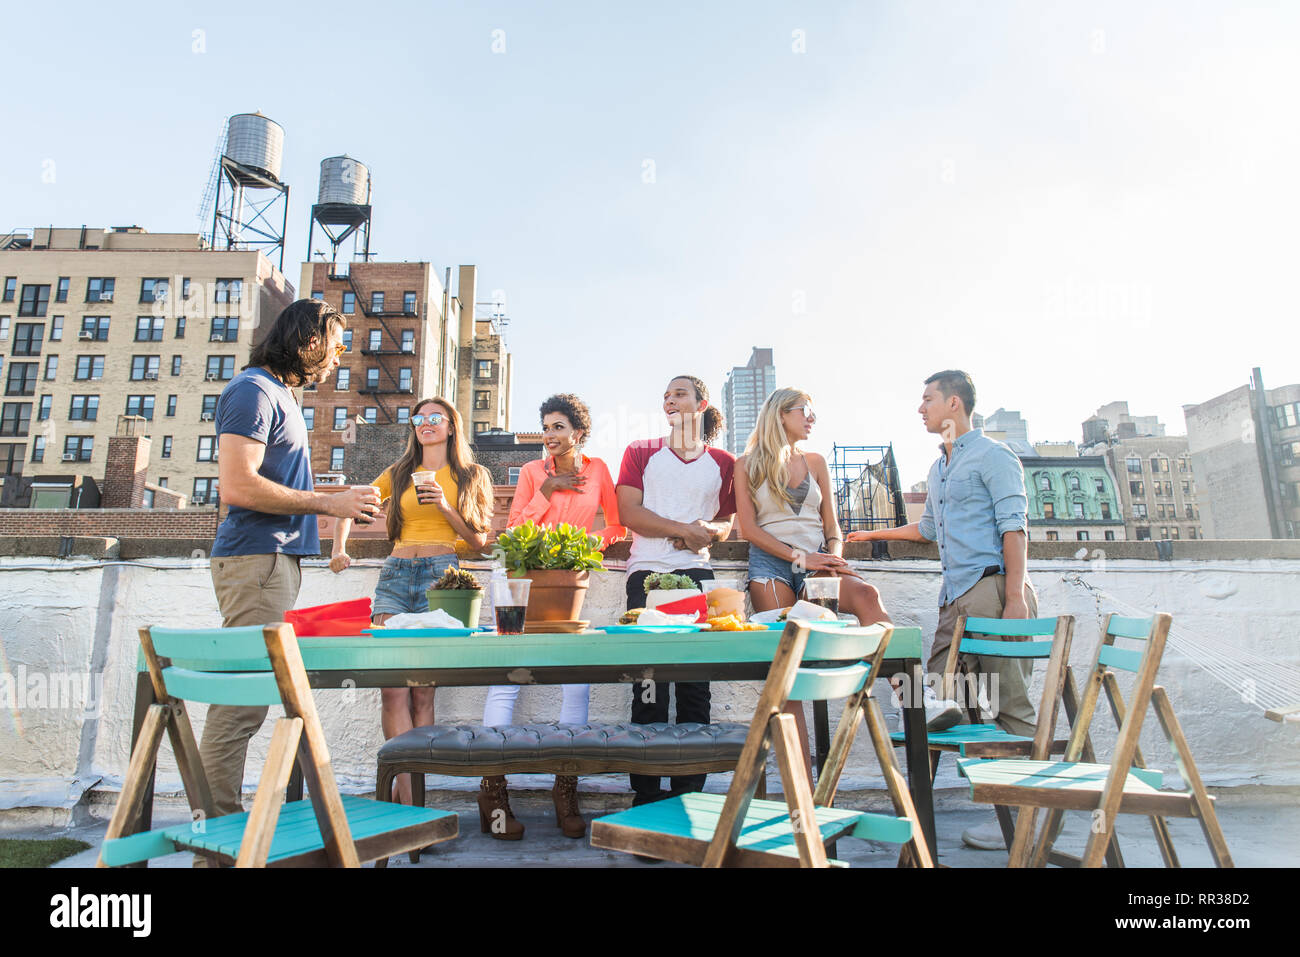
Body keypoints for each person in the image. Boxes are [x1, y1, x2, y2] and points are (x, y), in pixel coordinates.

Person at [205, 299, 381, 831]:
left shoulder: (276, 395)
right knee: (241, 704)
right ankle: (219, 833)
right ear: (309, 342)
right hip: (257, 561)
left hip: (271, 561)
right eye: (336, 346)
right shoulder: (253, 392)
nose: (337, 359)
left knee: (253, 699)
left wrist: (339, 503)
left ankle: (226, 829)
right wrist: (329, 503)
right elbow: (237, 486)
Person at [847, 369, 1036, 850]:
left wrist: (1014, 599)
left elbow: (1015, 529)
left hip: (993, 591)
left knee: (1008, 707)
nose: (921, 407)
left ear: (955, 403)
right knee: (925, 700)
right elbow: (928, 530)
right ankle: (917, 820)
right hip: (954, 601)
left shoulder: (995, 456)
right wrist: (870, 536)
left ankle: (1021, 823)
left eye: (927, 399)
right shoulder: (939, 467)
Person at [330, 397, 494, 810]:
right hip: (396, 574)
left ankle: (411, 802)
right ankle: (410, 803)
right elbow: (352, 502)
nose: (425, 423)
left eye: (434, 418)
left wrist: (442, 504)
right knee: (393, 691)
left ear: (452, 426)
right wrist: (338, 546)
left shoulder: (472, 474)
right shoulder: (398, 472)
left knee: (423, 694)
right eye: (418, 418)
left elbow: (477, 542)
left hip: (441, 576)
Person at [480, 393, 626, 840]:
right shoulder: (530, 472)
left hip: (568, 586)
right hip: (521, 585)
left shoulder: (599, 470)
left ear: (578, 432)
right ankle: (493, 792)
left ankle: (566, 790)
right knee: (506, 677)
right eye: (545, 428)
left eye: (558, 427)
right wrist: (547, 491)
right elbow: (514, 530)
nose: (549, 436)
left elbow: (618, 526)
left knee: (574, 677)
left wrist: (584, 548)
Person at [733, 388, 893, 781]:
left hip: (818, 560)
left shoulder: (816, 461)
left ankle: (916, 698)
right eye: (805, 411)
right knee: (787, 663)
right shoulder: (746, 464)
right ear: (780, 414)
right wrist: (799, 558)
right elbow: (749, 529)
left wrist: (834, 554)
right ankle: (800, 784)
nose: (812, 418)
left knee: (867, 595)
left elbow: (831, 526)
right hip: (772, 563)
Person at [616, 375, 736, 809]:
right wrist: (680, 530)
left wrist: (709, 532)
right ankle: (646, 797)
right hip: (646, 575)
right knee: (649, 688)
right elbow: (628, 512)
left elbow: (728, 521)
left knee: (693, 688)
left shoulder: (723, 461)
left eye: (679, 393)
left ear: (701, 403)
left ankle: (688, 797)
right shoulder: (640, 452)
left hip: (697, 576)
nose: (670, 399)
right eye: (666, 394)